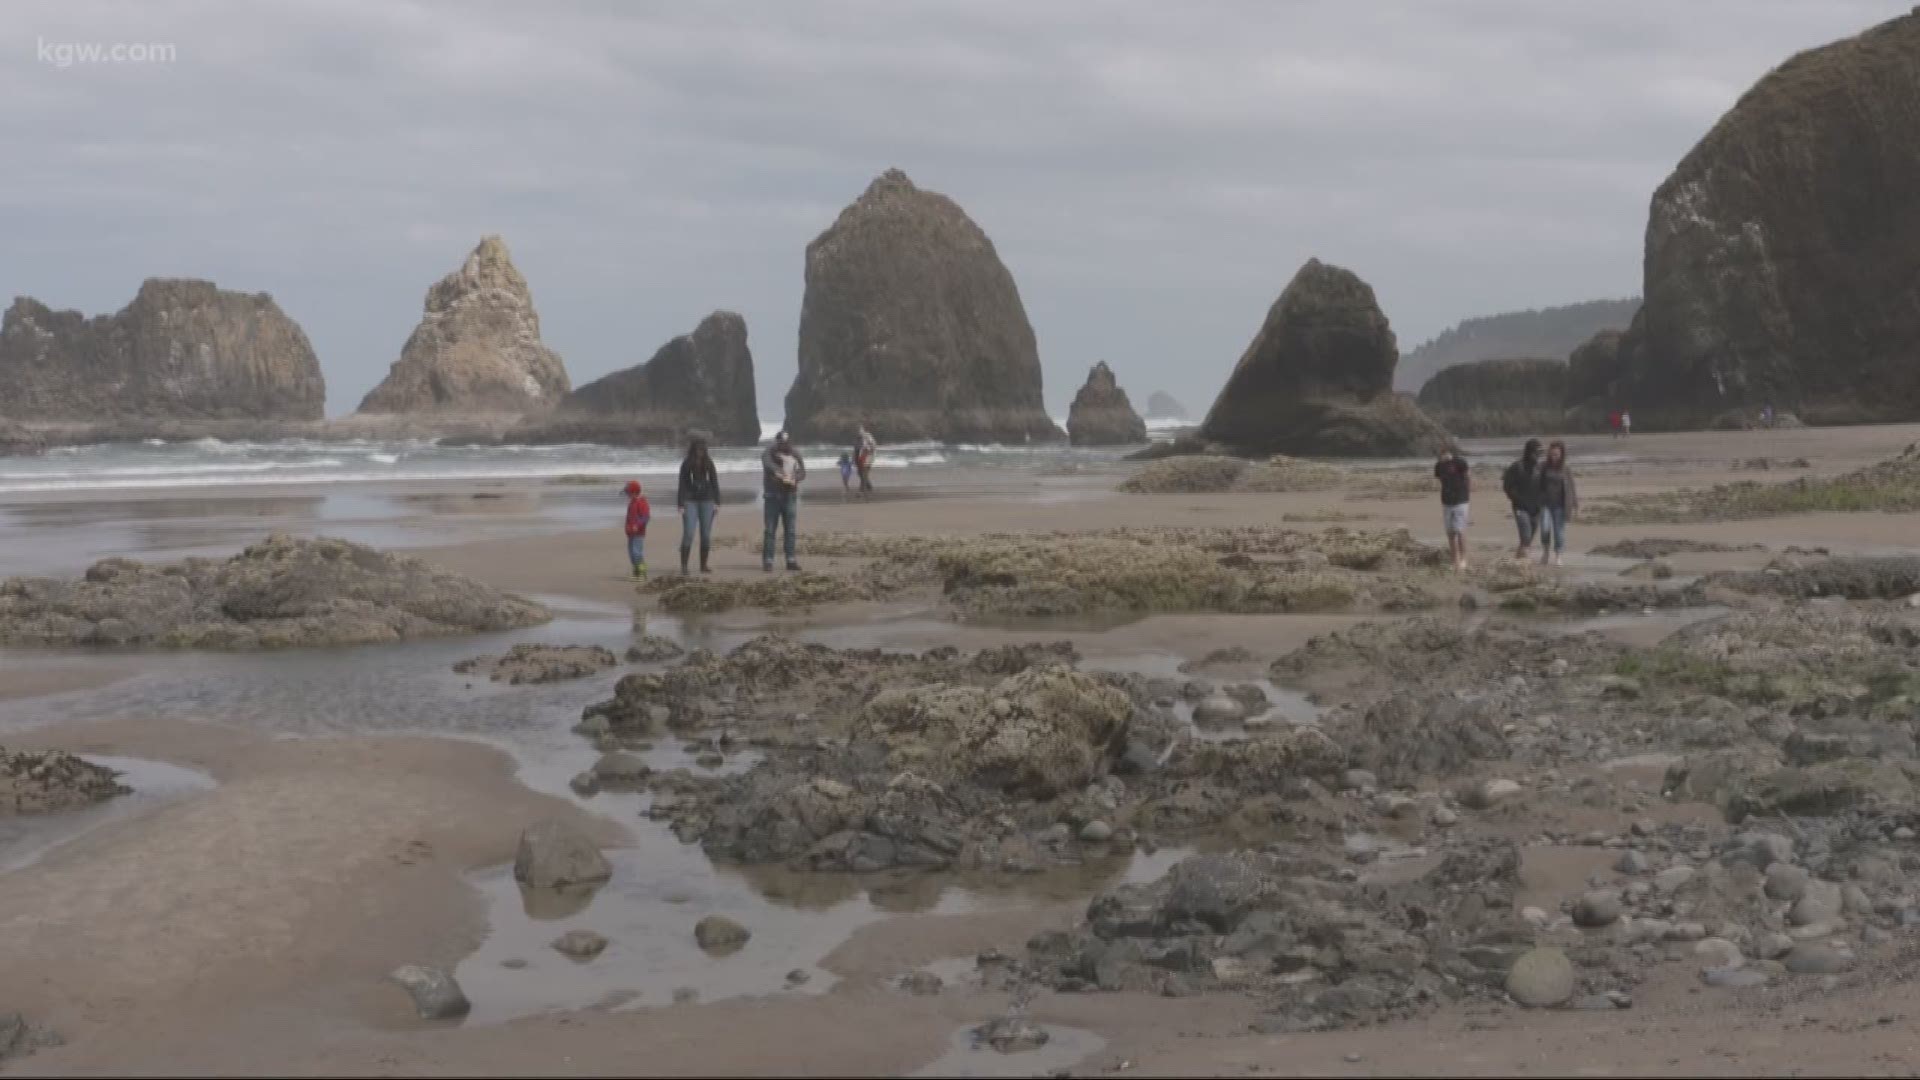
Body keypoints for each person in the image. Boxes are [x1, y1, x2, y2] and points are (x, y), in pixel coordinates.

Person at [761, 430, 806, 572]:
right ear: (776, 442)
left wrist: (795, 479)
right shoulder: (768, 453)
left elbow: (802, 471)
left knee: (790, 530)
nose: (783, 445)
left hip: (790, 496)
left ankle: (791, 560)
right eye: (781, 442)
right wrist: (780, 473)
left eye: (786, 443)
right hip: (772, 496)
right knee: (770, 530)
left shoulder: (795, 453)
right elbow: (767, 464)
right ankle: (768, 561)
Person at [675, 436, 721, 575]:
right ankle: (684, 566)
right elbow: (682, 484)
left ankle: (703, 565)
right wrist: (680, 504)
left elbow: (714, 482)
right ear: (693, 450)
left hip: (707, 500)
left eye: (702, 449)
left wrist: (717, 502)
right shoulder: (686, 463)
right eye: (698, 449)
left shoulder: (709, 463)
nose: (700, 452)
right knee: (689, 533)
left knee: (706, 534)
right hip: (690, 501)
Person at [1537, 439, 1579, 567]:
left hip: (1560, 505)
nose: (1554, 456)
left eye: (1556, 454)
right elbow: (1534, 479)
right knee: (1544, 528)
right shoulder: (1543, 466)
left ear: (1561, 455)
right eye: (1552, 454)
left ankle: (1558, 556)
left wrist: (1575, 504)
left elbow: (1571, 487)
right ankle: (1545, 553)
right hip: (1545, 504)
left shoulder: (1565, 469)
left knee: (1558, 531)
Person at [1501, 438, 1543, 560]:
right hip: (1520, 508)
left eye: (1540, 453)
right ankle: (1524, 564)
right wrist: (1517, 499)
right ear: (1529, 452)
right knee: (1525, 536)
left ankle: (1518, 560)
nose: (1538, 455)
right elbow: (1507, 486)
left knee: (1528, 539)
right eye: (1536, 452)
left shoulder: (1540, 468)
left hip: (1536, 508)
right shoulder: (1517, 467)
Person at [1432, 445, 1471, 572]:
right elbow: (1440, 479)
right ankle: (1455, 561)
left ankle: (1464, 559)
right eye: (1439, 455)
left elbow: (1467, 476)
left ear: (1447, 453)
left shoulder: (1459, 462)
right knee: (1450, 532)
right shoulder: (1438, 466)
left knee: (1460, 531)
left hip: (1461, 501)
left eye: (1442, 454)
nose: (1441, 457)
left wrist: (1466, 492)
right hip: (1446, 501)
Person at [623, 479, 651, 580]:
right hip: (631, 533)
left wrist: (637, 525)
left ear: (634, 492)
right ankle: (636, 572)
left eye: (628, 493)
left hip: (639, 533)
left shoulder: (642, 502)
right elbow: (629, 517)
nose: (627, 495)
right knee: (631, 553)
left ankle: (642, 573)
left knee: (637, 553)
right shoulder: (632, 503)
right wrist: (627, 527)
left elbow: (646, 517)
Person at [854, 426, 877, 497]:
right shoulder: (858, 439)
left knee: (864, 472)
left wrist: (869, 449)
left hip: (870, 455)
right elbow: (856, 450)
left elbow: (873, 445)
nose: (858, 433)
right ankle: (868, 485)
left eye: (859, 431)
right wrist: (855, 460)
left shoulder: (867, 436)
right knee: (859, 472)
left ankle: (861, 491)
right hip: (863, 454)